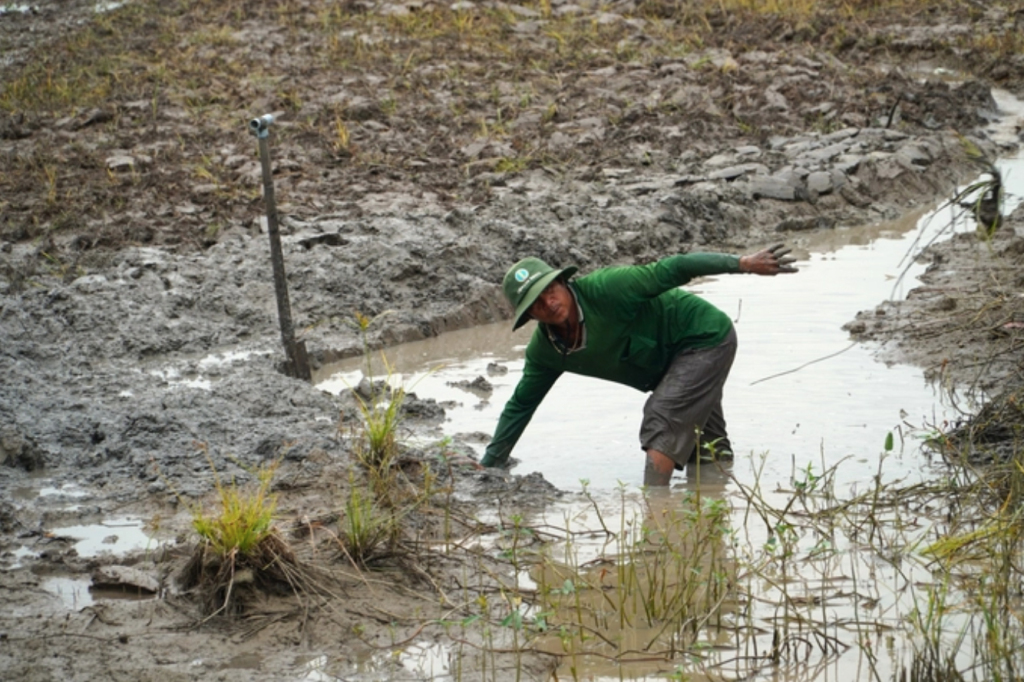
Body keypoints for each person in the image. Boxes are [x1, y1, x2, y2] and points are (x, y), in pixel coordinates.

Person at [479, 245, 798, 485]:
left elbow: (674, 268)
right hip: (670, 368)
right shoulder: (546, 352)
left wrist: (741, 264)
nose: (548, 302)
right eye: (536, 302)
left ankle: (655, 515)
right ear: (529, 315)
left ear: (563, 283)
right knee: (707, 451)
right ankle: (712, 520)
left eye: (550, 290)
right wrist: (490, 467)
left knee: (662, 414)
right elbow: (520, 406)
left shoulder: (608, 288)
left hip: (704, 336)